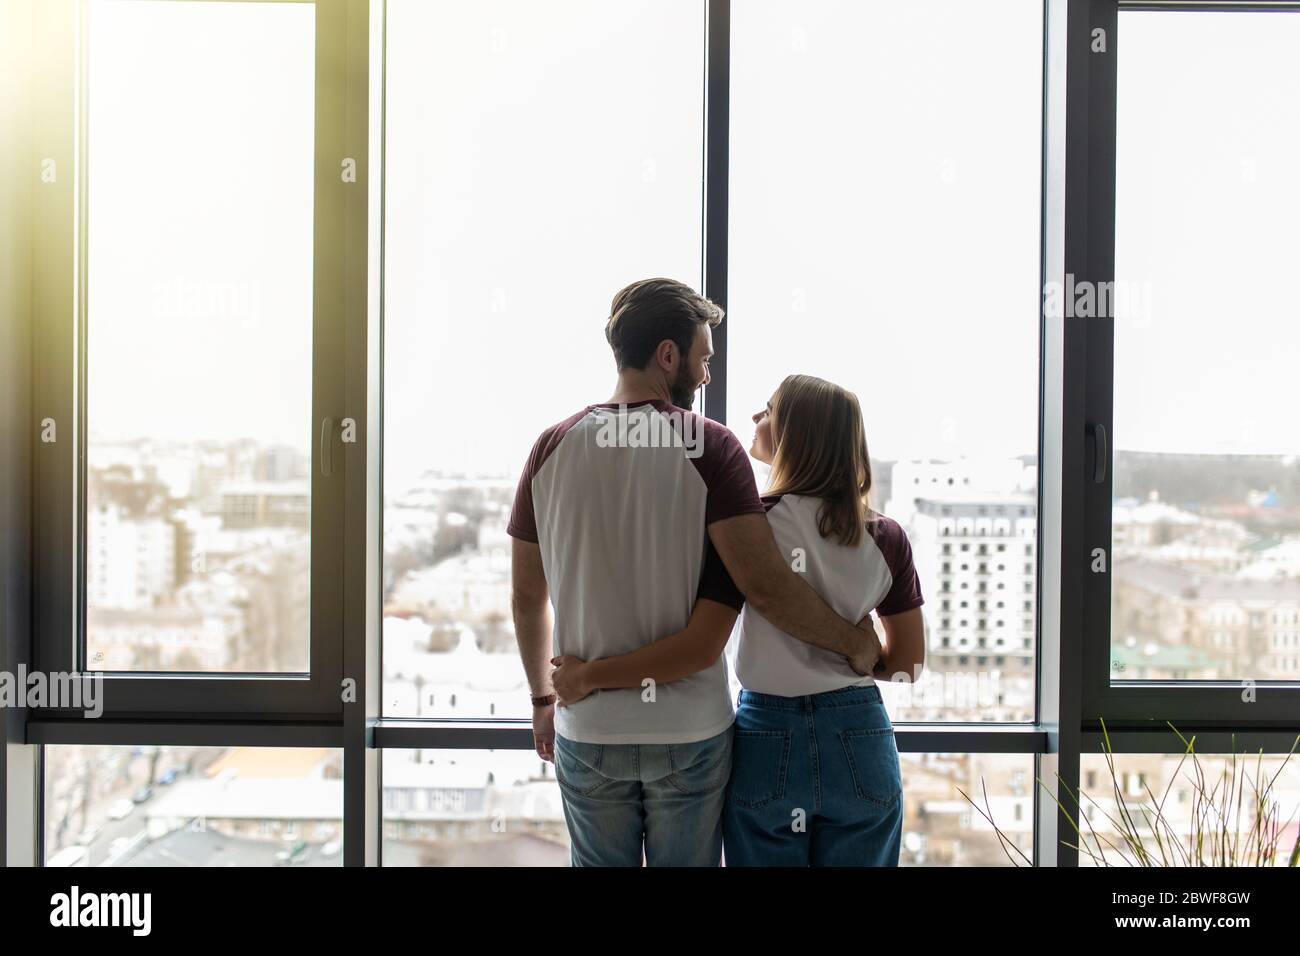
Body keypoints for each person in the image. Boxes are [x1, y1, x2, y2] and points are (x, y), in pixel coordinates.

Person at [508, 281, 882, 866]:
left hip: (588, 730)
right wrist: (856, 642)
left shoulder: (550, 447)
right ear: (668, 355)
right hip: (687, 732)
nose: (706, 373)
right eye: (703, 357)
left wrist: (542, 698)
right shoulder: (710, 447)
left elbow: (529, 595)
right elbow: (765, 586)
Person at [551, 373, 926, 866]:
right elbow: (908, 664)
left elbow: (710, 630)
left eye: (768, 410)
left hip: (768, 739)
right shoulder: (886, 536)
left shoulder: (748, 526)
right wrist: (861, 651)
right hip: (859, 736)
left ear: (797, 433)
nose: (754, 417)